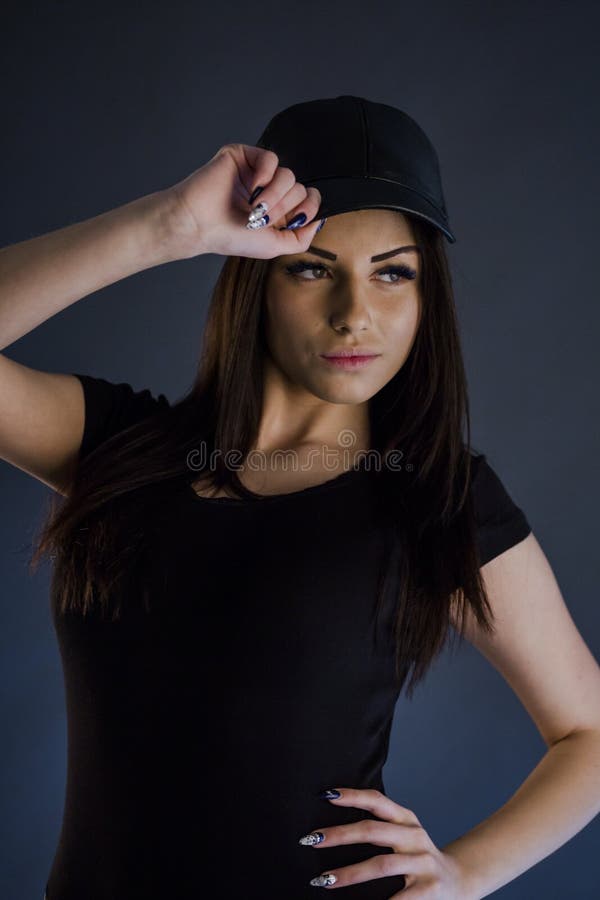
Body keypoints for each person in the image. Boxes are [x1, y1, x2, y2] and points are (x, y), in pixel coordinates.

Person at [2, 95, 599, 900]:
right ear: (256, 275)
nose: (355, 315)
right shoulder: (120, 446)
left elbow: (590, 733)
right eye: (313, 268)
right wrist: (169, 226)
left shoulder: (438, 496)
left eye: (393, 273)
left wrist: (463, 876)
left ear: (427, 297)